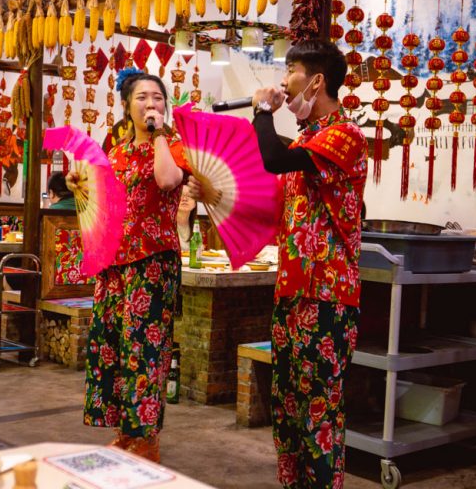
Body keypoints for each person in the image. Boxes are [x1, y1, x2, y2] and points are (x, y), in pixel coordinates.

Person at [189, 39, 367, 488]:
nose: (283, 82)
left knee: (319, 409)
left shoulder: (345, 135)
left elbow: (273, 157)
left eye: (290, 71)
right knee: (288, 406)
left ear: (317, 80)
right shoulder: (308, 139)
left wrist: (263, 110)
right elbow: (267, 163)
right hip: (292, 290)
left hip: (327, 296)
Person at [73, 68, 189, 463]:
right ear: (127, 106)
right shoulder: (117, 149)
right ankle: (127, 431)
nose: (151, 104)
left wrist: (158, 134)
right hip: (115, 263)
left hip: (152, 263)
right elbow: (105, 198)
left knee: (146, 351)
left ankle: (148, 438)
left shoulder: (173, 144)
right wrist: (80, 183)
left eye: (157, 98)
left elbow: (168, 180)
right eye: (142, 98)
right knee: (114, 348)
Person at [176, 187, 197, 251]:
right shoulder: (166, 225)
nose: (184, 199)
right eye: (180, 195)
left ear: (195, 203)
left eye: (189, 195)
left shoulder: (196, 226)